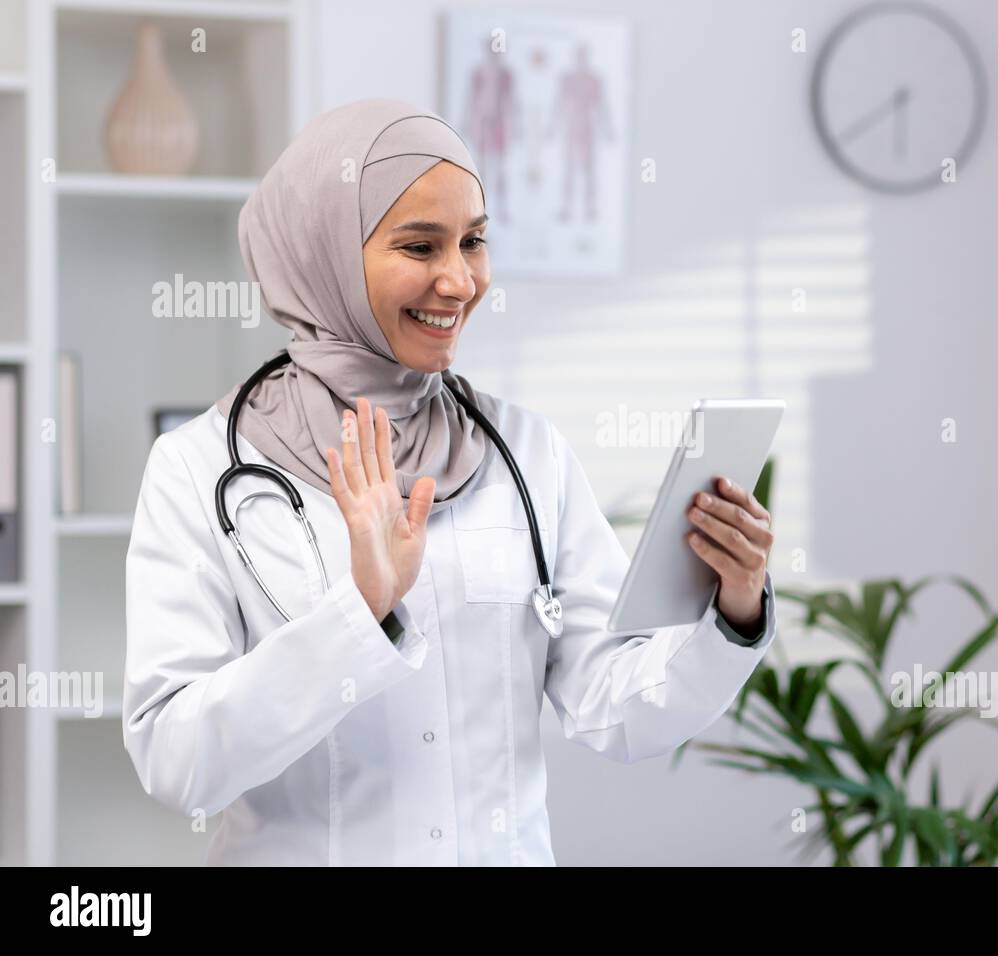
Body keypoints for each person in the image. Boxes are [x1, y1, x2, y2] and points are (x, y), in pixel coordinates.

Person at [122, 99, 778, 866]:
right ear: (323, 249)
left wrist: (733, 608)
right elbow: (177, 762)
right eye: (420, 245)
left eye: (473, 241)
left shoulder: (525, 451)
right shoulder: (199, 465)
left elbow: (615, 710)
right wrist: (358, 616)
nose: (460, 281)